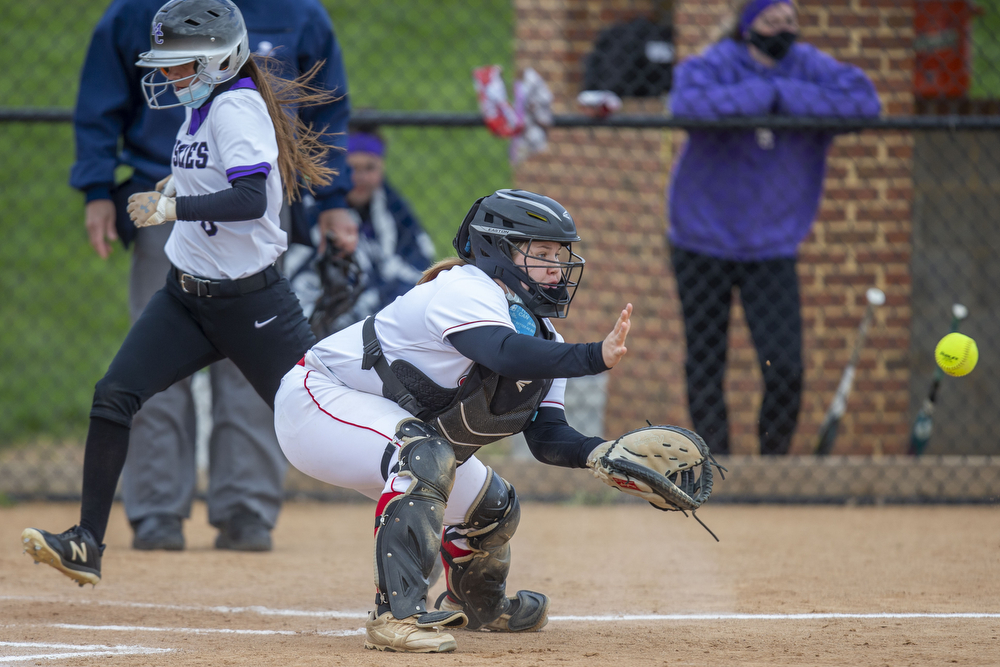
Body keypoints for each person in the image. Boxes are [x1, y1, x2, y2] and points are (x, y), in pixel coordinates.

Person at [272, 189, 706, 652]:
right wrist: (593, 356)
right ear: (497, 251)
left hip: (386, 430)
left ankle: (482, 605)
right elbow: (501, 352)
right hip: (316, 402)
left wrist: (597, 454)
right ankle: (395, 617)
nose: (556, 269)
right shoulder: (466, 287)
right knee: (424, 454)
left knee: (492, 508)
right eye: (540, 254)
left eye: (559, 256)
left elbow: (546, 435)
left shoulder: (542, 335)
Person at [22, 0, 334, 585]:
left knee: (319, 424)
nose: (168, 76)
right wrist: (180, 182)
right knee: (115, 395)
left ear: (223, 61)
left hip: (251, 304)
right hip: (186, 297)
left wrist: (173, 205)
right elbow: (212, 171)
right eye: (165, 64)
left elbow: (251, 200)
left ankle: (428, 502)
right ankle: (87, 540)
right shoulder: (203, 105)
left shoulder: (236, 107)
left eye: (182, 64)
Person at [667, 0, 880, 455]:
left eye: (791, 19)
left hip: (772, 244)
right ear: (748, 27)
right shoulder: (716, 63)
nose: (784, 27)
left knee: (785, 365)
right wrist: (760, 95)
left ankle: (771, 462)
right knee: (706, 359)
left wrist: (783, 93)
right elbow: (687, 104)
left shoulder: (808, 65)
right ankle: (716, 461)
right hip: (701, 237)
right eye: (772, 19)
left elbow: (864, 102)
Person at [284, 127, 436, 338]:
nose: (361, 177)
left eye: (369, 168)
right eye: (352, 168)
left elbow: (418, 264)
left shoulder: (394, 210)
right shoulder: (316, 210)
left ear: (381, 169)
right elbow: (301, 270)